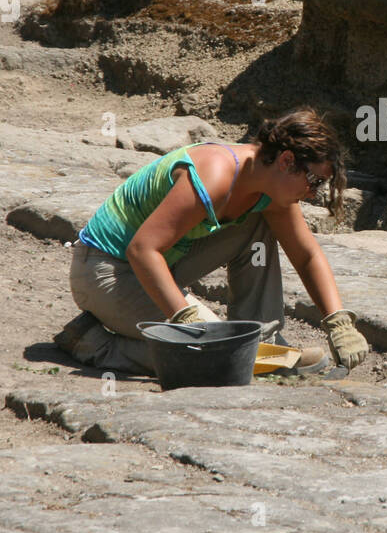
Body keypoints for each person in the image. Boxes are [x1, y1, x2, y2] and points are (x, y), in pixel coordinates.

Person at [55, 107, 370, 376]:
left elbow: (306, 256)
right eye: (314, 181)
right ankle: (95, 344)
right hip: (106, 272)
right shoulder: (216, 174)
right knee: (217, 355)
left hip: (158, 266)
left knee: (258, 224)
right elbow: (142, 249)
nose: (313, 193)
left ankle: (262, 346)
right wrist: (184, 318)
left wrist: (338, 322)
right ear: (286, 160)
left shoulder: (268, 186)